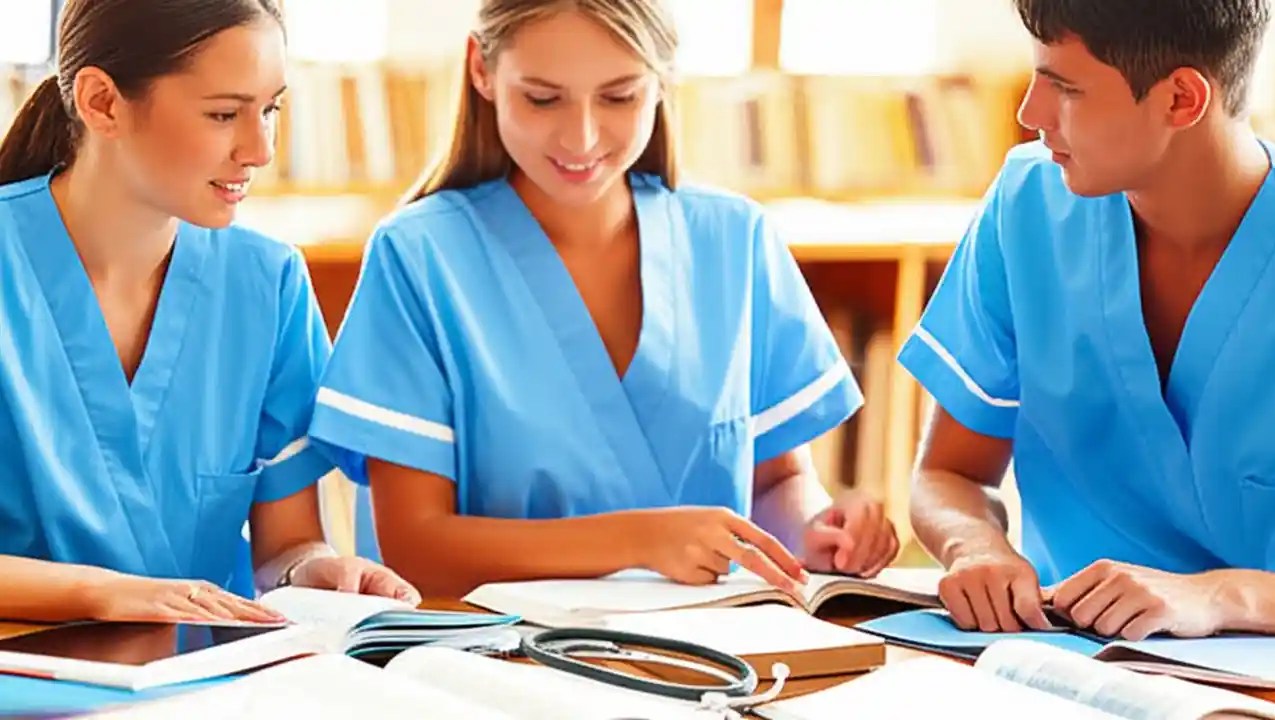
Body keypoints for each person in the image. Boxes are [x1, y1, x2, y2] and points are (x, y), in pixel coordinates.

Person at [307, 0, 899, 598]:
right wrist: (641, 542)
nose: (581, 137)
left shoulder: (735, 240)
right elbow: (417, 548)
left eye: (619, 97)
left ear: (663, 79)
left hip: (714, 661)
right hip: (488, 663)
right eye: (542, 98)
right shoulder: (418, 255)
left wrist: (814, 531)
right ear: (481, 70)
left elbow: (775, 483)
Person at [0, 0, 418, 624]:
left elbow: (284, 547)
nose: (260, 149)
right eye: (224, 113)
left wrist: (314, 570)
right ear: (102, 103)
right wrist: (101, 593)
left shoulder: (268, 285)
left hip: (210, 681)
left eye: (270, 109)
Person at [901, 0, 1275, 640]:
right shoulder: (1024, 207)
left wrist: (1221, 597)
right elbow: (949, 474)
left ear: (1182, 99)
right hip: (1063, 663)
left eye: (1065, 88)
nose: (1029, 114)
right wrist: (976, 547)